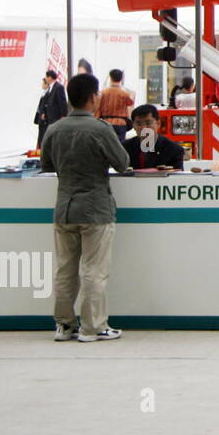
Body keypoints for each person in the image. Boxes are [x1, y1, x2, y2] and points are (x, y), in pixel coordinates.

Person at [40, 72, 131, 342]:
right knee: (94, 270)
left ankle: (64, 326)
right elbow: (123, 162)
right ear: (93, 98)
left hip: (64, 208)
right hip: (95, 209)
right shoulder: (101, 130)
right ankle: (93, 327)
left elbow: (46, 166)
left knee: (65, 270)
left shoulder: (54, 129)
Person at [122, 104, 186, 170]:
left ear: (158, 123)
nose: (144, 128)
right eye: (139, 124)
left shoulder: (173, 150)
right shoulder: (125, 148)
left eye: (148, 123)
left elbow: (178, 177)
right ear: (133, 126)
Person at [95, 68, 135, 141]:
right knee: (121, 146)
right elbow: (130, 105)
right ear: (121, 78)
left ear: (110, 78)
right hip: (121, 123)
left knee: (107, 146)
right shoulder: (125, 94)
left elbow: (98, 109)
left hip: (106, 123)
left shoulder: (103, 93)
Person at [36, 70, 68, 148]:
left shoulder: (59, 87)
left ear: (50, 77)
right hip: (48, 117)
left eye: (46, 77)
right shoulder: (50, 88)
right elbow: (46, 102)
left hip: (55, 116)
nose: (45, 79)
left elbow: (62, 102)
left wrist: (63, 115)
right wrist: (43, 112)